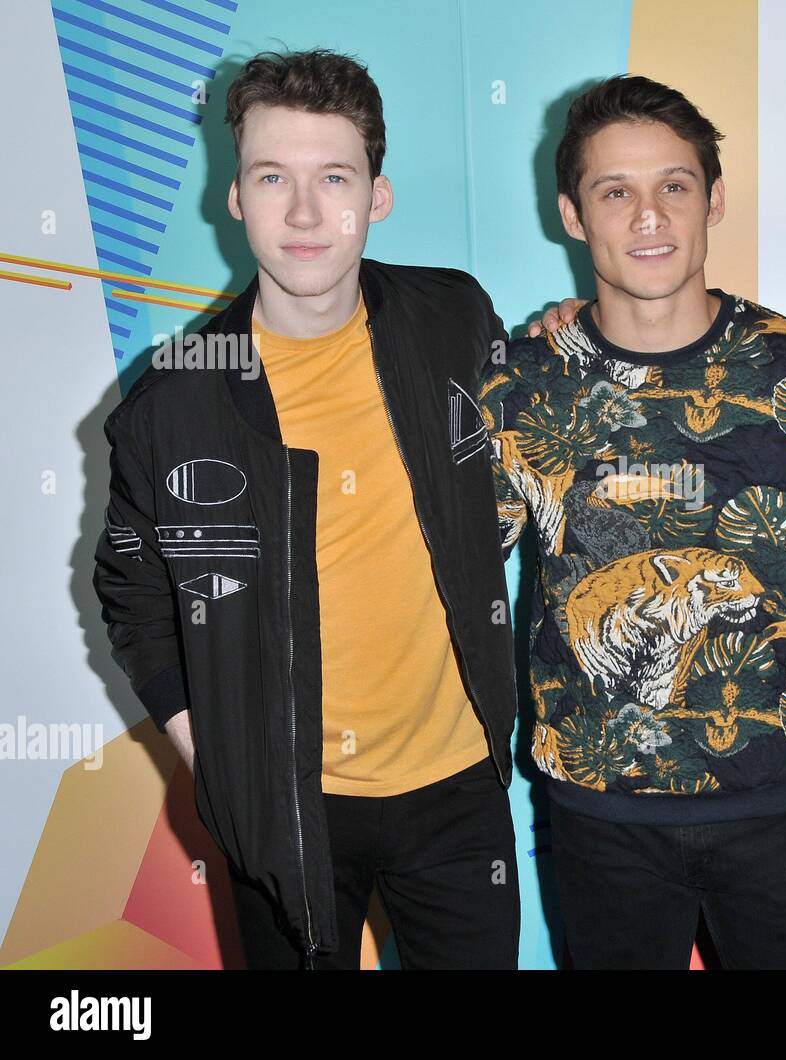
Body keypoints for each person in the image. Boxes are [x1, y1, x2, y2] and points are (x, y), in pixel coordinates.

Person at [92, 49, 520, 969]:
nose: (303, 212)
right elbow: (131, 594)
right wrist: (217, 757)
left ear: (379, 194)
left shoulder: (453, 317)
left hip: (457, 793)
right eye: (271, 177)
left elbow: (533, 426)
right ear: (235, 197)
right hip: (287, 807)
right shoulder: (171, 403)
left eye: (334, 177)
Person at [484, 75, 786, 969]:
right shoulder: (519, 386)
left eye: (674, 186)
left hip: (783, 801)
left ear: (713, 200)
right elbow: (442, 573)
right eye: (616, 192)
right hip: (601, 811)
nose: (649, 217)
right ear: (573, 214)